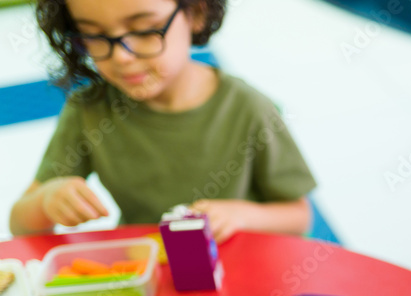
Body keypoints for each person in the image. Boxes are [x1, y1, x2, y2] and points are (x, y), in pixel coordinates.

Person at [9, 0, 316, 243]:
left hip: (236, 272)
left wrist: (241, 216)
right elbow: (20, 225)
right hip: (146, 282)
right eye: (93, 35)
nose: (122, 58)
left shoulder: (248, 108)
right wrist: (45, 202)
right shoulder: (89, 111)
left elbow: (298, 215)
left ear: (196, 12)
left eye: (144, 30)